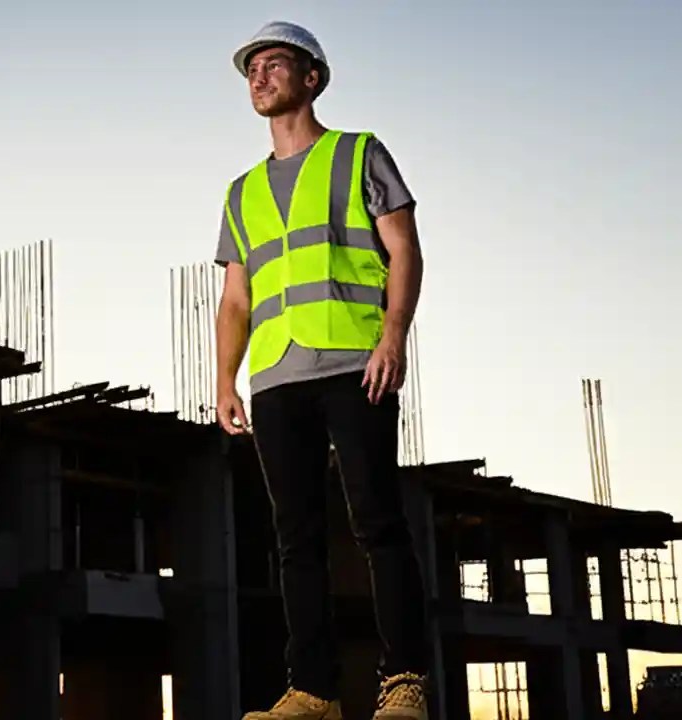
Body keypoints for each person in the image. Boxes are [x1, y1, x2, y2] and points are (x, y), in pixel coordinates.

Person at [213, 20, 430, 720]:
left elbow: (404, 250)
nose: (258, 75)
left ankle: (405, 683)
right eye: (251, 68)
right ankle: (313, 690)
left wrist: (393, 336)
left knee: (377, 523)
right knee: (295, 539)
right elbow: (236, 298)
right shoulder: (241, 192)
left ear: (311, 78)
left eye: (274, 63)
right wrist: (224, 379)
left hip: (355, 363)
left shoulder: (358, 153)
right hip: (276, 376)